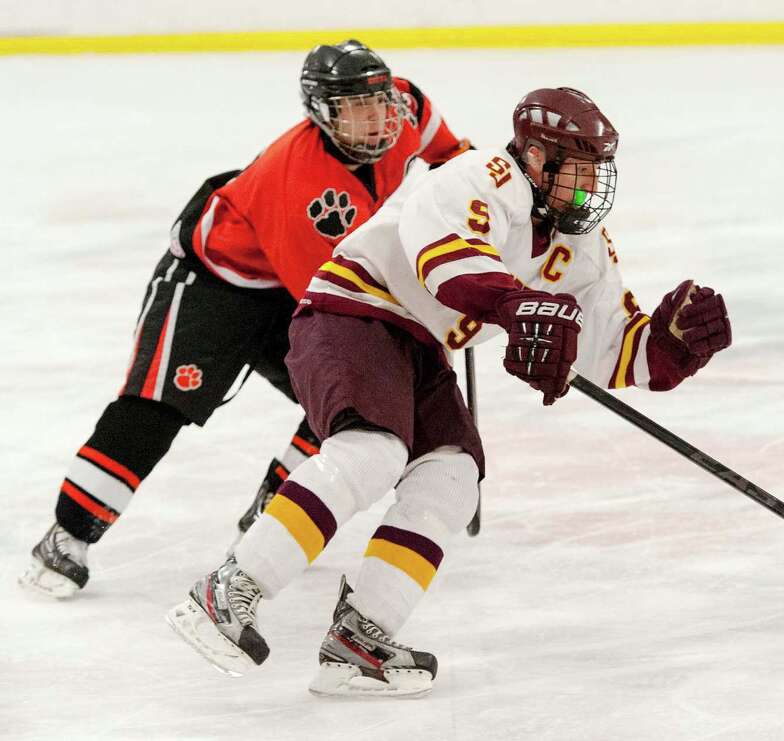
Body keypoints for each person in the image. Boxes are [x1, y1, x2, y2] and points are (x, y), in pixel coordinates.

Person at [165, 87, 733, 697]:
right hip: (352, 312)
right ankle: (228, 589)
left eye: (599, 172)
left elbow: (612, 346)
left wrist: (668, 349)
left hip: (420, 349)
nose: (592, 187)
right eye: (581, 171)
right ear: (538, 160)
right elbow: (446, 259)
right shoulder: (479, 177)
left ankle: (359, 638)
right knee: (372, 452)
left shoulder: (582, 249)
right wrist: (520, 307)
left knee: (453, 476)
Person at [19, 39, 471, 599]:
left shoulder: (413, 110)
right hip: (214, 288)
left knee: (353, 392)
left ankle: (274, 509)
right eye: (355, 107)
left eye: (379, 101)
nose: (375, 118)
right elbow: (337, 300)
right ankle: (67, 535)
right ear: (322, 114)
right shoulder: (298, 183)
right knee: (157, 409)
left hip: (299, 281)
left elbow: (461, 170)